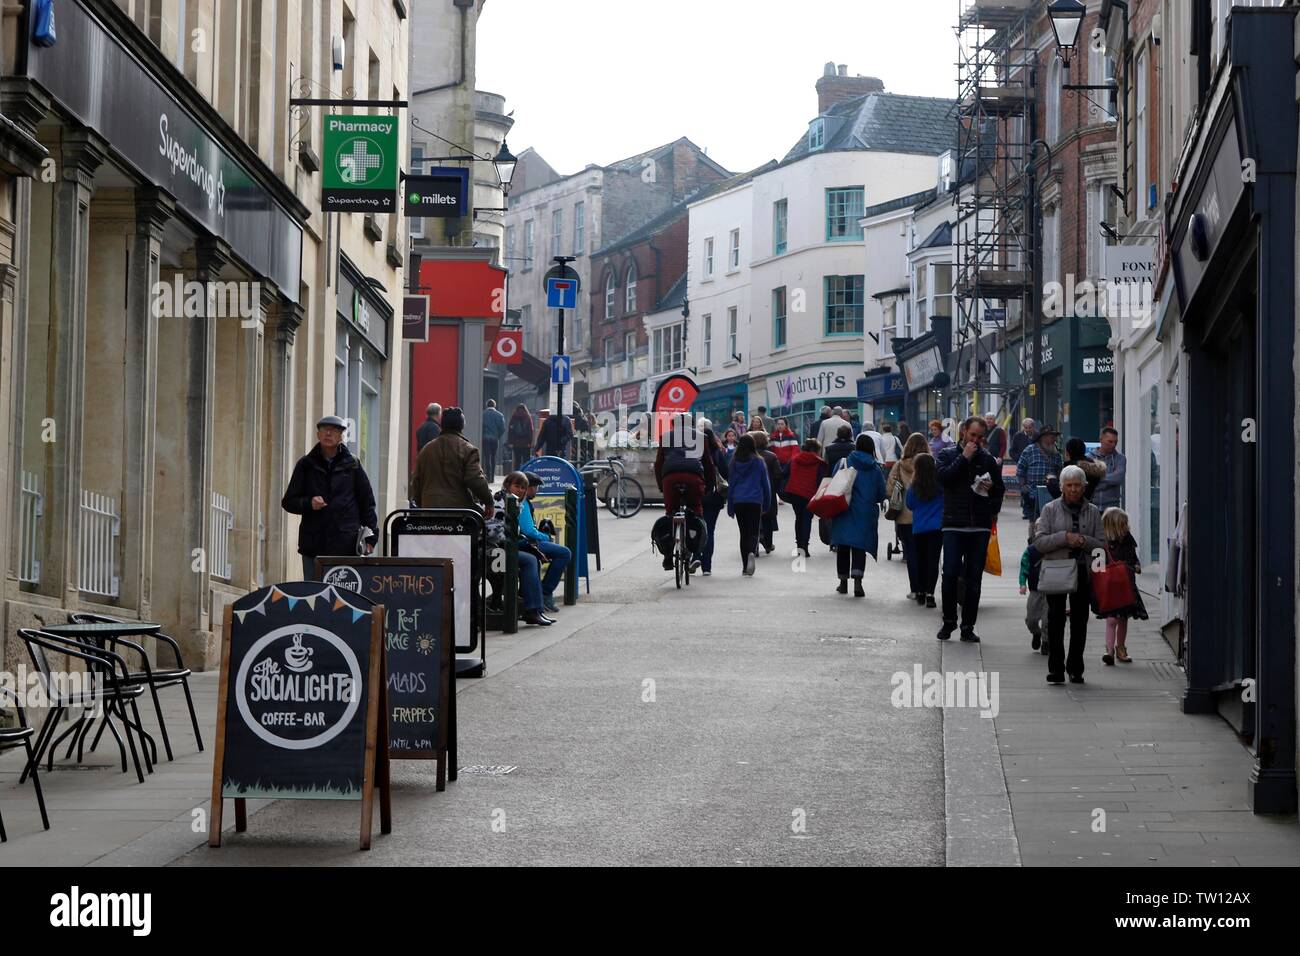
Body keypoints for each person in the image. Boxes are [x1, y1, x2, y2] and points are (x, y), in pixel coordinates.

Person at [935, 416, 1005, 642]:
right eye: (972, 435)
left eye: (979, 437)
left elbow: (999, 491)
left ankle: (967, 626)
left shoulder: (988, 460)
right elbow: (944, 479)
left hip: (979, 526)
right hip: (954, 524)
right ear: (964, 432)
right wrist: (963, 459)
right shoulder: (947, 454)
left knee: (974, 579)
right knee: (950, 574)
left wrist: (991, 496)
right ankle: (948, 622)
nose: (975, 440)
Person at [282, 415, 379, 580]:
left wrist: (371, 538)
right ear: (318, 435)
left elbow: (367, 503)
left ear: (341, 436)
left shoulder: (353, 464)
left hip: (346, 544)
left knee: (345, 595)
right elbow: (288, 502)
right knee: (315, 595)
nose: (328, 433)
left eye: (334, 430)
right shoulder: (305, 464)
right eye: (324, 430)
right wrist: (309, 503)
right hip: (314, 545)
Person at [1035, 465, 1105, 684]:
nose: (1074, 489)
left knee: (1080, 621)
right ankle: (1055, 668)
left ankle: (1076, 667)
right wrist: (1064, 537)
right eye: (1069, 485)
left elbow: (1101, 547)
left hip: (1083, 572)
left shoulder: (1093, 511)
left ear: (1084, 487)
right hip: (1057, 570)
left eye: (1078, 485)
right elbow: (1039, 542)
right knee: (1055, 620)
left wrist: (1083, 541)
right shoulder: (1049, 509)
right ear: (1062, 487)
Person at [485, 473, 555, 627]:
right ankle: (532, 610)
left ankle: (535, 608)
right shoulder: (500, 500)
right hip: (494, 547)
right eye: (517, 486)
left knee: (533, 558)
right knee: (530, 560)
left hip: (507, 545)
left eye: (523, 488)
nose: (520, 490)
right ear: (507, 485)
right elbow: (494, 530)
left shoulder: (517, 503)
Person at [653, 414, 715, 572]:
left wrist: (662, 485)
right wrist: (709, 486)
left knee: (670, 513)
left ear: (674, 424)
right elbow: (708, 463)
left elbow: (659, 463)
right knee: (695, 510)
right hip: (693, 477)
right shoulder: (701, 437)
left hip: (671, 477)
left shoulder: (666, 436)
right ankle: (696, 548)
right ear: (692, 424)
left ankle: (668, 556)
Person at [829, 434, 888, 597]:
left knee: (843, 545)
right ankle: (858, 582)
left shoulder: (844, 462)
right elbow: (881, 493)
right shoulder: (875, 468)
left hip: (844, 508)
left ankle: (842, 582)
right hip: (864, 511)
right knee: (859, 546)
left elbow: (834, 484)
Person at [409, 407, 495, 518]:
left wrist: (422, 504)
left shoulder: (426, 450)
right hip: (459, 514)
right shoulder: (468, 450)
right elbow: (475, 479)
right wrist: (489, 501)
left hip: (430, 512)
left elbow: (416, 481)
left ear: (442, 424)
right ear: (462, 425)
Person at [1098, 506, 1146, 665]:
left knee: (1123, 619)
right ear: (1113, 525)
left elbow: (1133, 557)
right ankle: (1109, 651)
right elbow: (1096, 565)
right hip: (1110, 587)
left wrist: (1137, 565)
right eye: (1123, 523)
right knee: (1111, 620)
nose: (1126, 526)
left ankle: (1121, 648)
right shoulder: (1102, 542)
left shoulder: (1128, 540)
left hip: (1125, 586)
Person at [520, 472, 572, 613]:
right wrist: (546, 537)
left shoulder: (524, 502)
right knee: (564, 553)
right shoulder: (523, 503)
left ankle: (542, 593)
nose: (536, 491)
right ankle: (545, 592)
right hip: (528, 542)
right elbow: (528, 530)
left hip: (527, 542)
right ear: (527, 487)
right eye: (535, 487)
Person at [890, 433, 929, 601]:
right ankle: (927, 589)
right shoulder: (931, 465)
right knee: (927, 555)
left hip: (905, 517)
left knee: (911, 554)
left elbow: (890, 489)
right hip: (927, 516)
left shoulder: (899, 466)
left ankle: (915, 589)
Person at [726, 434, 771, 576]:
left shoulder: (734, 462)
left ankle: (745, 566)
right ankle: (752, 551)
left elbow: (731, 484)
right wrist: (767, 503)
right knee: (753, 532)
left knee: (743, 533)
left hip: (739, 500)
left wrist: (730, 505)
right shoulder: (759, 462)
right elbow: (766, 484)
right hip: (755, 500)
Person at [904, 451, 943, 609]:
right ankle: (930, 594)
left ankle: (919, 592)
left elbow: (910, 505)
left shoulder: (914, 487)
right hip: (936, 527)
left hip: (919, 528)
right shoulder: (940, 486)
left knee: (920, 560)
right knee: (933, 561)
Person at [782, 438, 826, 558]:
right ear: (817, 450)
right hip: (810, 494)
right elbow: (821, 480)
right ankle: (805, 547)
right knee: (807, 519)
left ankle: (799, 546)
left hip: (795, 492)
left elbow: (784, 473)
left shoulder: (794, 459)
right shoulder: (819, 462)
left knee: (799, 518)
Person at [699, 427, 730, 576]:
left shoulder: (695, 454)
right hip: (715, 496)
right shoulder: (718, 454)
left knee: (696, 526)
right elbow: (726, 474)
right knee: (709, 530)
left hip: (697, 495)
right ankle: (707, 566)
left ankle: (695, 557)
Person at [1016, 426, 1063, 519]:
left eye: (1054, 436)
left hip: (1052, 495)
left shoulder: (1056, 453)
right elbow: (1020, 471)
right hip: (1032, 495)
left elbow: (1060, 472)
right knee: (1034, 523)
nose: (1054, 439)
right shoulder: (1029, 450)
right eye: (1052, 436)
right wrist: (1023, 487)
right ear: (1043, 438)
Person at [1019, 519, 1048, 652]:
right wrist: (1022, 584)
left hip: (1050, 590)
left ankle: (1046, 642)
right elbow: (1024, 568)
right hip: (1035, 590)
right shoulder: (1030, 551)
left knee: (1048, 619)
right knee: (1031, 619)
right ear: (1035, 530)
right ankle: (1036, 633)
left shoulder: (1054, 548)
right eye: (1038, 528)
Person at [751, 431, 782, 554]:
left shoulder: (749, 456)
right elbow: (778, 474)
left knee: (753, 518)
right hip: (768, 490)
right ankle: (768, 544)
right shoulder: (771, 456)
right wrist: (774, 487)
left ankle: (755, 543)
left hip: (753, 491)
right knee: (768, 518)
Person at [1052, 436, 1106, 501]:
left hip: (1070, 508)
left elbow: (1060, 493)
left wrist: (1051, 482)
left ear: (1068, 453)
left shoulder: (1069, 470)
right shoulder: (1093, 470)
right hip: (1088, 506)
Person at [1092, 427, 1126, 510]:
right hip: (1093, 506)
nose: (1113, 445)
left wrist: (1098, 478)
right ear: (1101, 439)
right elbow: (1088, 482)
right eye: (1110, 442)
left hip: (1112, 507)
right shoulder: (1090, 458)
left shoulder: (1120, 458)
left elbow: (1117, 478)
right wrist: (1110, 478)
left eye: (1115, 442)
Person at [481, 399, 506, 480]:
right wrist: (497, 435)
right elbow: (502, 428)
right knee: (493, 457)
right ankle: (492, 477)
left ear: (486, 405)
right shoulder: (499, 415)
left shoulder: (482, 414)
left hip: (485, 438)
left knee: (486, 456)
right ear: (494, 405)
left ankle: (487, 475)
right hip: (494, 438)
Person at [508, 403, 535, 471]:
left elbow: (510, 430)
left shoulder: (514, 417)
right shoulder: (527, 417)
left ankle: (517, 474)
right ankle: (526, 474)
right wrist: (530, 442)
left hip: (516, 443)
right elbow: (530, 430)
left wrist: (510, 442)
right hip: (526, 443)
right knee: (526, 460)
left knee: (517, 460)